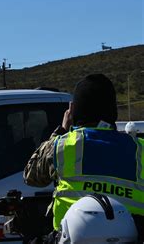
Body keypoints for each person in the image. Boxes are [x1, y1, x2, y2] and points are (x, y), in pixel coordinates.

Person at [24, 74, 144, 237]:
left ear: (73, 111)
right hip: (131, 237)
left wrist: (61, 131)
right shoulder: (139, 149)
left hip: (70, 237)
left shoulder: (62, 145)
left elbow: (31, 176)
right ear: (112, 111)